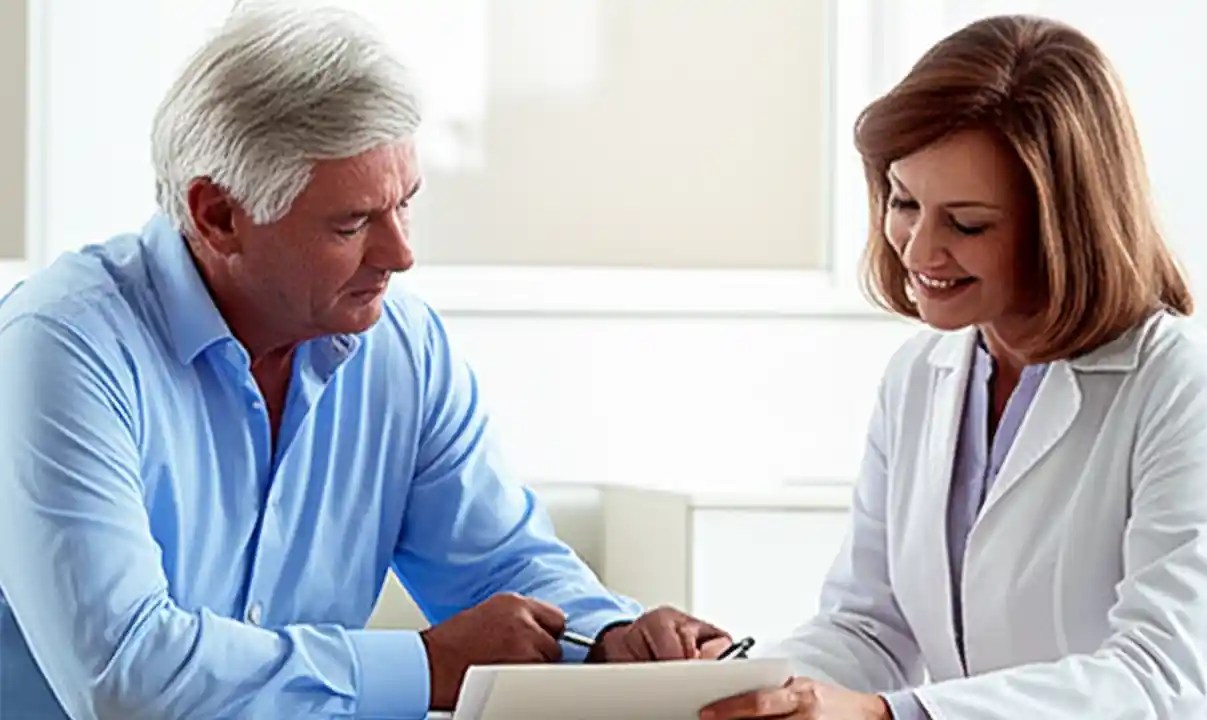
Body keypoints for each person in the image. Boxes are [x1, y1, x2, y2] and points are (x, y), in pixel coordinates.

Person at [0, 5, 729, 718]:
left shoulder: (402, 348)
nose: (401, 254)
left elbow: (498, 566)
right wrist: (427, 666)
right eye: (352, 224)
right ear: (218, 216)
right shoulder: (59, 347)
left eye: (404, 205)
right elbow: (126, 676)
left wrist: (607, 640)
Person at [701, 14, 1207, 720]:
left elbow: (1157, 678)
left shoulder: (1180, 381)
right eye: (904, 203)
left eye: (967, 224)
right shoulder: (920, 375)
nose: (916, 251)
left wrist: (889, 715)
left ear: (1064, 226)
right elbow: (871, 630)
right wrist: (738, 689)